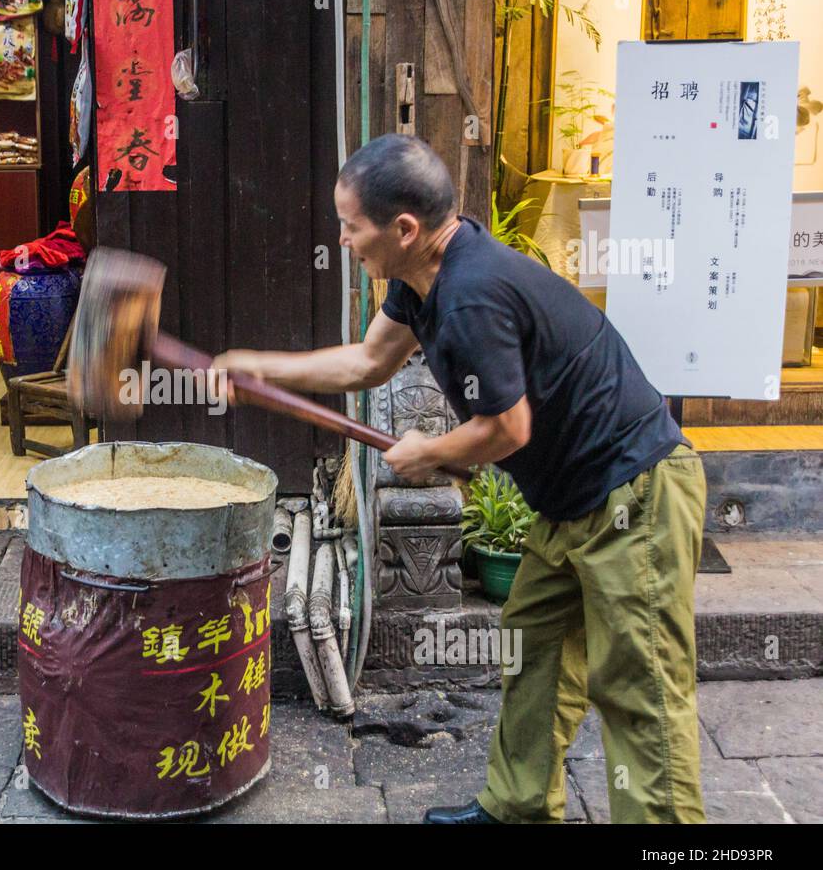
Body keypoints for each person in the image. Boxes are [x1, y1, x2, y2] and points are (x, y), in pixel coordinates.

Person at [212, 133, 707, 824]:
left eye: (351, 225)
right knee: (533, 653)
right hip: (573, 503)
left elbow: (508, 429)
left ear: (404, 228)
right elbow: (365, 364)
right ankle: (517, 809)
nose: (344, 240)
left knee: (641, 692)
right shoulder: (425, 280)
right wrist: (257, 369)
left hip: (637, 494)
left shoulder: (472, 295)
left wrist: (431, 452)